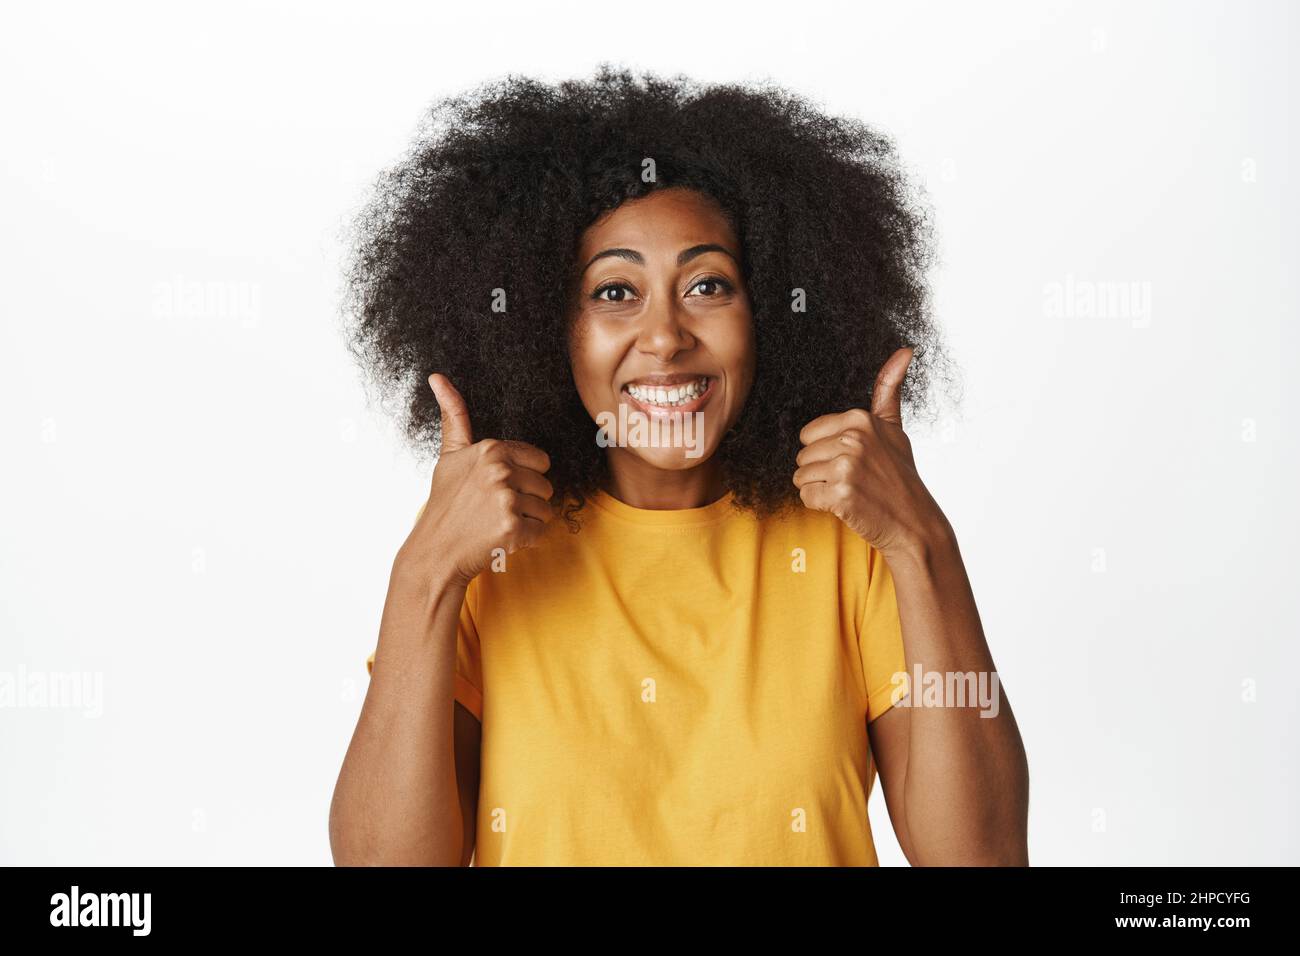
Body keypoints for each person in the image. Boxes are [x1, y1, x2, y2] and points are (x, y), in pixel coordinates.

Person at [328, 66, 1029, 866]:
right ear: (546, 329)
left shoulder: (852, 545)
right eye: (615, 292)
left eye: (707, 285)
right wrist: (422, 575)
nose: (664, 337)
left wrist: (922, 541)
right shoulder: (482, 551)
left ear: (768, 315)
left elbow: (983, 857)